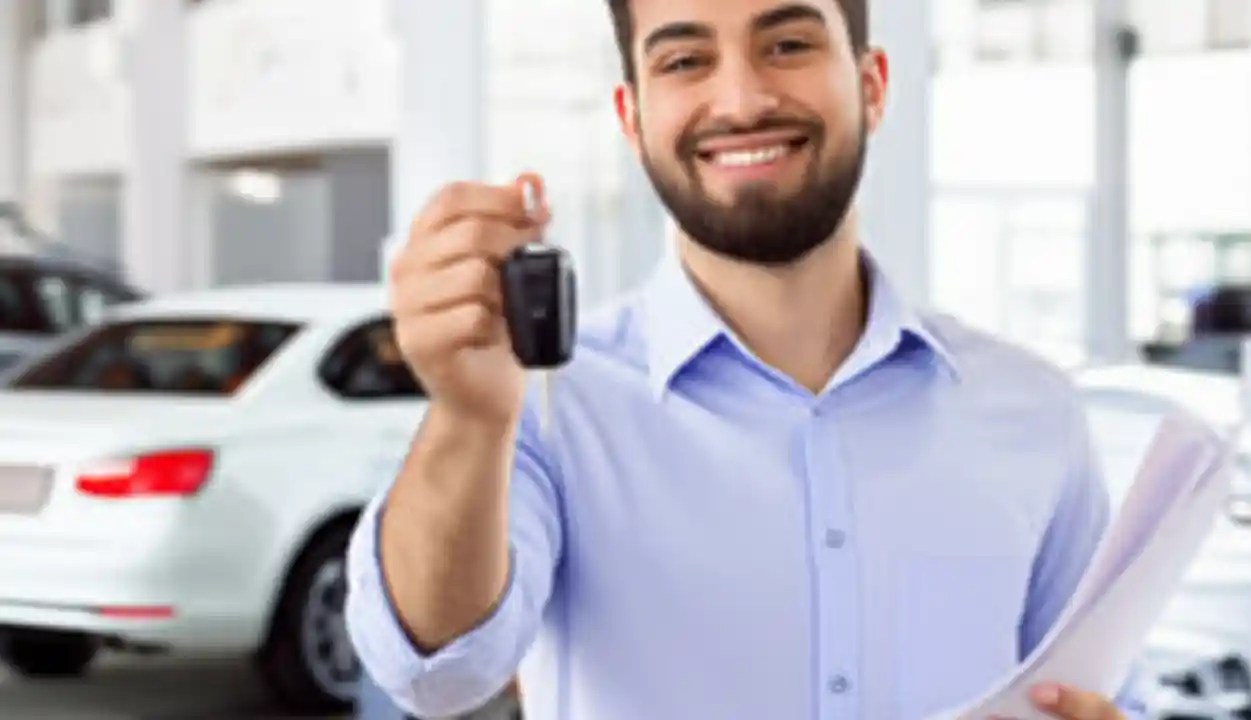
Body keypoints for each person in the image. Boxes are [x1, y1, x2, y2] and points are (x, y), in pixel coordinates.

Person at [345, 0, 1148, 718]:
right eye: (685, 60)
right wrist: (468, 416)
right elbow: (433, 674)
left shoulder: (1031, 409)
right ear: (631, 117)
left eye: (789, 43)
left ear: (871, 85)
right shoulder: (547, 402)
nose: (743, 100)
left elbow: (1097, 694)